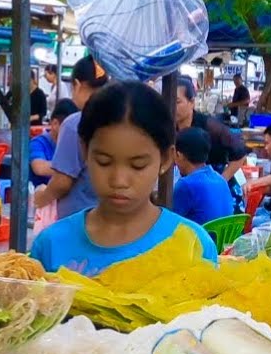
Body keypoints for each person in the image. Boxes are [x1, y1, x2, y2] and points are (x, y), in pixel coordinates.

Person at [29, 81, 218, 276]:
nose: (119, 181)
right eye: (104, 162)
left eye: (138, 165)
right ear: (85, 151)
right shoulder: (50, 246)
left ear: (165, 159)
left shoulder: (193, 247)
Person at [32, 56, 108, 219]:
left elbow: (62, 182)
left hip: (79, 221)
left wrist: (41, 198)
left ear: (77, 85)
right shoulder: (117, 119)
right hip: (111, 218)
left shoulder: (75, 124)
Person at [174, 76, 248, 211]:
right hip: (187, 187)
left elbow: (241, 154)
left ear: (192, 102)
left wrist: (220, 181)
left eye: (177, 102)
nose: (172, 107)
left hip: (218, 190)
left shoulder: (210, 126)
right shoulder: (169, 127)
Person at [172, 127, 235, 226]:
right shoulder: (220, 179)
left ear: (179, 155)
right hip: (223, 241)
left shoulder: (186, 185)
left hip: (198, 240)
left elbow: (171, 222)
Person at [28, 99, 80, 186]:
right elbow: (39, 168)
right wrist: (72, 167)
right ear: (55, 124)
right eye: (69, 127)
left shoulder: (72, 144)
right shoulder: (38, 143)